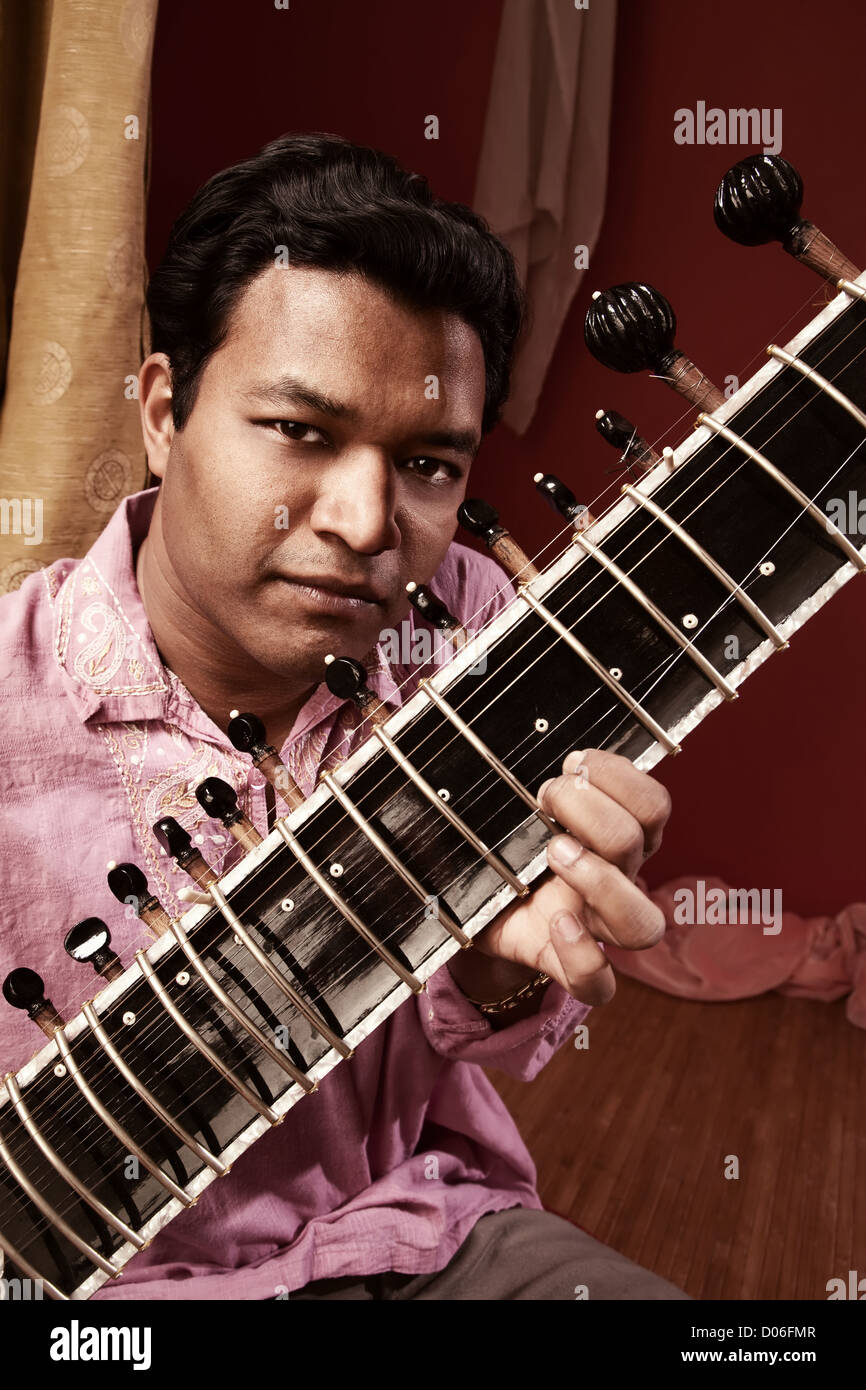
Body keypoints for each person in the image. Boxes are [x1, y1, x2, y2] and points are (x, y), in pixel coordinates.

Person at [0, 133, 689, 1300]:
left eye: (427, 464)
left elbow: (496, 1016)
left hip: (411, 1225)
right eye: (301, 432)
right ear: (166, 411)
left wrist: (497, 971)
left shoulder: (475, 634)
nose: (369, 521)